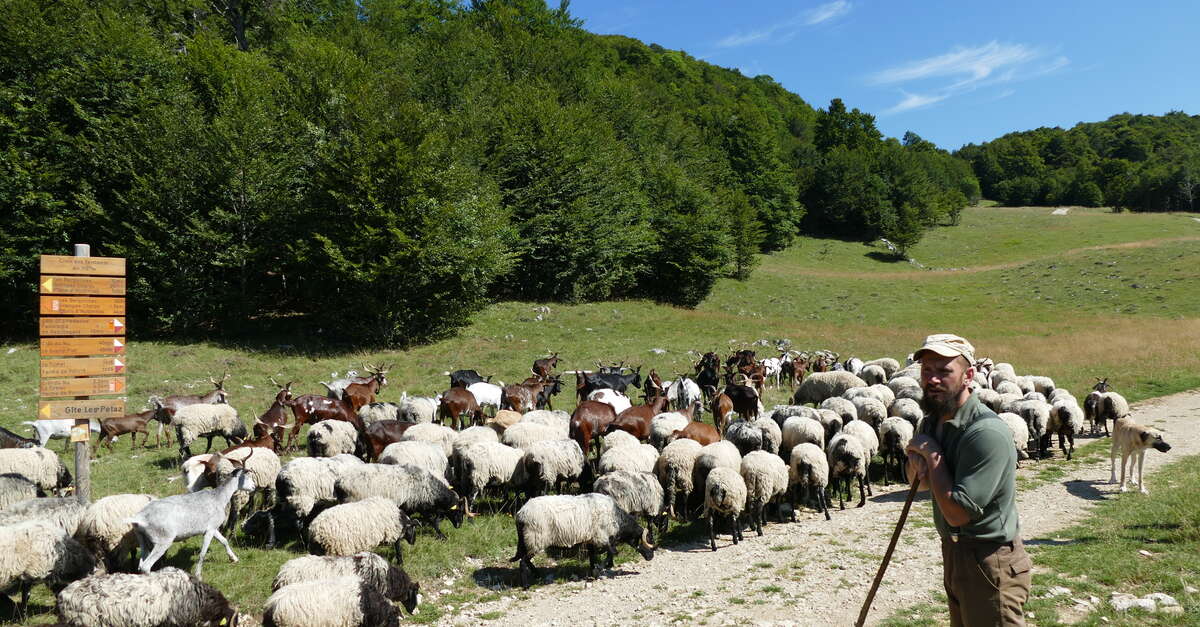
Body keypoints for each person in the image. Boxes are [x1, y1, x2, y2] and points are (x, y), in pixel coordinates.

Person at [905, 333, 1032, 626]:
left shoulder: (985, 433)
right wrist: (917, 461)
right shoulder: (933, 421)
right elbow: (918, 483)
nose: (932, 379)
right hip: (955, 553)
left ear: (968, 375)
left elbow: (957, 512)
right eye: (927, 371)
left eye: (944, 371)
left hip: (990, 561)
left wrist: (933, 457)